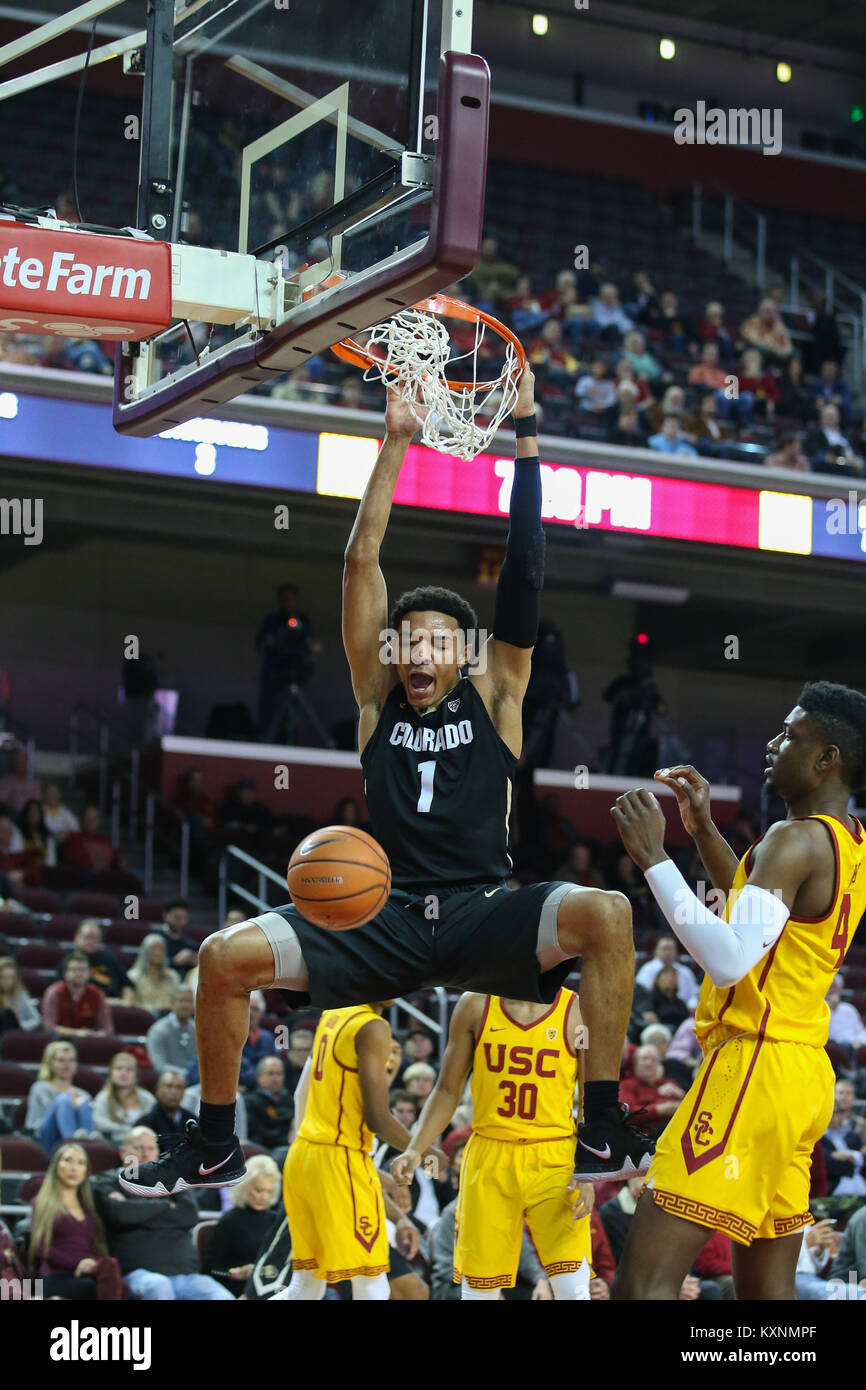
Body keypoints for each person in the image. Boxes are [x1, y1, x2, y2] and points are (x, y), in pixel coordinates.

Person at [122, 367, 641, 1200]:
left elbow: (525, 568)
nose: (420, 655)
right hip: (378, 912)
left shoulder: (499, 692)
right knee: (221, 959)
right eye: (407, 643)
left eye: (438, 643)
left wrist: (530, 430)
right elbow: (361, 557)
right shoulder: (374, 698)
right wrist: (394, 439)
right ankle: (215, 1140)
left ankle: (604, 1122)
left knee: (607, 914)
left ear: (464, 655)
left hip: (481, 908)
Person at [609, 680, 866, 1299]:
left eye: (790, 735)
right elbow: (760, 922)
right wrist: (700, 832)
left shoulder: (794, 838)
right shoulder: (847, 842)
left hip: (753, 1066)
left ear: (827, 757)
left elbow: (729, 959)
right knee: (766, 1302)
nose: (773, 744)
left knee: (641, 1286)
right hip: (802, 1079)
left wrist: (653, 859)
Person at [393, 988, 599, 1299]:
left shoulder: (577, 1009)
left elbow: (591, 1099)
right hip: (491, 1154)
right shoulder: (474, 1004)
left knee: (575, 1290)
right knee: (479, 1292)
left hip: (556, 1157)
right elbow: (448, 1089)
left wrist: (591, 1168)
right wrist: (414, 1148)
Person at [270, 1002, 421, 1300]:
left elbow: (302, 1091)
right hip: (338, 1159)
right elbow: (377, 1120)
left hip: (305, 1153)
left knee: (306, 1285)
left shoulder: (333, 1014)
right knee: (373, 1284)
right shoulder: (372, 1026)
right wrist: (423, 1148)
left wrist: (307, 1143)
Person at [94, 1126, 235, 1300]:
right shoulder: (107, 1181)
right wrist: (166, 1206)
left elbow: (189, 1214)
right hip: (140, 1273)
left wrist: (136, 1209)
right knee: (159, 1287)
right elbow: (121, 1214)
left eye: (151, 1149)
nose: (146, 1154)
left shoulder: (173, 1180)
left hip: (187, 1275)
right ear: (124, 1153)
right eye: (139, 1148)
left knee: (223, 1297)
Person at [30, 1142, 124, 1299]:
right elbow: (41, 1248)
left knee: (119, 1281)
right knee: (96, 1284)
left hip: (87, 1273)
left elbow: (97, 1247)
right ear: (56, 1165)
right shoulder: (41, 1202)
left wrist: (91, 1264)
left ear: (86, 1172)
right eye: (68, 1160)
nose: (74, 1168)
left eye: (81, 1163)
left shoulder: (89, 1206)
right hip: (55, 1276)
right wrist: (81, 1264)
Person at [203, 1155, 281, 1296]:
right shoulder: (230, 1221)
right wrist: (236, 1273)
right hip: (238, 1288)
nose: (263, 1197)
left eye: (269, 1191)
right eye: (258, 1190)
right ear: (245, 1187)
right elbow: (210, 1269)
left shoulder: (275, 1220)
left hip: (272, 1287)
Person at [26, 1040, 94, 1151]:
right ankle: (71, 1143)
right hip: (46, 1138)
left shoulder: (82, 1093)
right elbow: (33, 1124)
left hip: (79, 1137)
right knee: (64, 1100)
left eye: (71, 1060)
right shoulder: (40, 1088)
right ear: (50, 1064)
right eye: (61, 1060)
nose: (67, 1065)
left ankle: (89, 1143)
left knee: (84, 1101)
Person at [618, 1045, 685, 1139]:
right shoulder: (627, 1086)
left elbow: (692, 1107)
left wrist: (681, 1094)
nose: (649, 1063)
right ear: (635, 1063)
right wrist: (660, 1109)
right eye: (644, 1059)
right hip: (646, 1137)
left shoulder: (669, 1084)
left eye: (653, 1059)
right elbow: (627, 1113)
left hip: (677, 1132)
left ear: (659, 1064)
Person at [41, 950, 111, 1037]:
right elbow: (49, 1027)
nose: (78, 974)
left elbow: (107, 1029)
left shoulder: (97, 994)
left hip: (87, 1041)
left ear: (89, 973)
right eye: (74, 970)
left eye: (82, 970)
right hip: (59, 1040)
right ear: (65, 973)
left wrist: (96, 1035)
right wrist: (76, 1033)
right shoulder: (54, 992)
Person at [92, 1052, 154, 1145]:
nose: (123, 1073)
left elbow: (154, 1121)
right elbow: (100, 1123)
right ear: (111, 1072)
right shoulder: (103, 1098)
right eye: (119, 1068)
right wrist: (130, 1131)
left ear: (135, 1074)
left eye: (129, 1069)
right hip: (113, 1144)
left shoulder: (146, 1098)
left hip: (144, 1144)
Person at [61, 919, 130, 1001]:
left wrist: (126, 1003)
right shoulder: (69, 962)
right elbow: (61, 990)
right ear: (76, 937)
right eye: (87, 937)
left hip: (112, 1004)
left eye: (94, 938)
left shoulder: (109, 959)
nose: (90, 942)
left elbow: (127, 985)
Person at [821, 1090, 866, 1196]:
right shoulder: (818, 1139)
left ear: (841, 1115)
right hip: (836, 1194)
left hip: (861, 1190)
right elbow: (829, 1165)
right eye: (829, 1112)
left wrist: (850, 1156)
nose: (832, 1116)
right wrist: (857, 1158)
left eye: (836, 1112)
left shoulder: (852, 1137)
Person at [244, 1055, 294, 1151]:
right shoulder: (251, 1102)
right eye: (270, 1074)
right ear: (258, 1077)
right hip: (264, 1150)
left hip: (290, 1148)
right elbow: (257, 1133)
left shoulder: (291, 1100)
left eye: (279, 1074)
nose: (275, 1078)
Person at [144, 985, 197, 1075]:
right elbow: (159, 1066)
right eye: (181, 1001)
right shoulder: (158, 1030)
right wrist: (186, 1074)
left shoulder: (197, 1030)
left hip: (196, 1084)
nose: (185, 1005)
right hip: (168, 1082)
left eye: (189, 1001)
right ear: (172, 1003)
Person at [634, 935, 699, 1006]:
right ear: (656, 951)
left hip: (682, 1010)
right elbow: (640, 993)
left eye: (670, 949)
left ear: (676, 951)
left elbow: (694, 994)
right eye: (664, 949)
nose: (667, 952)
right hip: (655, 1009)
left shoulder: (685, 972)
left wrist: (690, 1006)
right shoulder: (647, 969)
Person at [124, 934, 181, 1012]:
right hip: (142, 1017)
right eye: (153, 949)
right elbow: (129, 1004)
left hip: (167, 1018)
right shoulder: (132, 976)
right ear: (145, 951)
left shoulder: (173, 976)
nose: (157, 953)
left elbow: (178, 1002)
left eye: (161, 949)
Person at [139, 1069, 197, 1145]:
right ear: (157, 1090)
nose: (174, 1092)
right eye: (169, 1086)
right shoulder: (145, 1124)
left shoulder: (192, 1121)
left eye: (179, 1087)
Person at [61, 805, 119, 873]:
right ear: (81, 819)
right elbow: (75, 860)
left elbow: (115, 858)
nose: (91, 821)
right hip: (86, 875)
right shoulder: (74, 838)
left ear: (99, 821)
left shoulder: (105, 840)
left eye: (95, 818)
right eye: (88, 817)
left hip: (105, 874)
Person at [240, 990, 277, 1088]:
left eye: (254, 1009)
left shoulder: (267, 1038)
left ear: (261, 1013)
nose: (250, 1013)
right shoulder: (229, 1038)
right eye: (246, 1008)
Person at [740, 298, 794, 363]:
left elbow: (789, 347)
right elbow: (748, 336)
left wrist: (779, 350)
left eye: (772, 311)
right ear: (760, 310)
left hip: (776, 354)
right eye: (767, 310)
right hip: (759, 352)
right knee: (758, 350)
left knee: (795, 354)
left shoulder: (779, 326)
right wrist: (769, 345)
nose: (769, 314)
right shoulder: (752, 321)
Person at [0, 954, 40, 1032]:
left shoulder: (20, 993)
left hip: (13, 1034)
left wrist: (20, 1025)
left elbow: (36, 1019)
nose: (8, 982)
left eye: (11, 978)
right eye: (4, 978)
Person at [826, 975, 866, 1052]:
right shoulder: (819, 1008)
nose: (830, 990)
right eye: (828, 986)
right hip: (827, 1045)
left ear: (840, 989)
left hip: (848, 1046)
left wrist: (859, 1041)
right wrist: (830, 1007)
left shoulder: (849, 1009)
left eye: (833, 987)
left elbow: (861, 1031)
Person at [157, 899, 198, 971]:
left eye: (184, 918)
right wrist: (174, 961)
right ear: (165, 916)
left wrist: (196, 963)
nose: (182, 922)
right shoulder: (155, 940)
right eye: (177, 917)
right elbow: (147, 964)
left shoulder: (190, 944)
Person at [0, 747, 42, 814]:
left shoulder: (35, 784)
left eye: (23, 761)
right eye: (17, 761)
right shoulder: (5, 783)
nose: (20, 764)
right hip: (10, 817)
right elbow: (2, 802)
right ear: (13, 763)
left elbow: (36, 802)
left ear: (27, 763)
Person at [18, 799, 56, 868]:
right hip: (25, 870)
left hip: (45, 871)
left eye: (36, 812)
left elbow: (51, 861)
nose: (33, 814)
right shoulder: (19, 834)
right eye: (31, 811)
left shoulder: (47, 835)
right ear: (26, 814)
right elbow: (17, 856)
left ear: (41, 815)